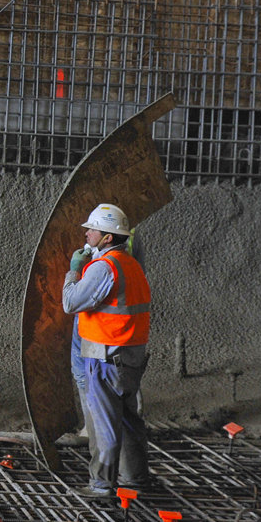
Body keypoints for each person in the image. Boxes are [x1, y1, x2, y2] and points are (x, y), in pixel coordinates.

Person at [62, 203, 152, 498]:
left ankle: (101, 486)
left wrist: (73, 273)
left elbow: (71, 303)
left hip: (105, 357)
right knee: (128, 418)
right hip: (130, 356)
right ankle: (135, 479)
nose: (87, 233)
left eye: (92, 229)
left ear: (108, 238)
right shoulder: (131, 265)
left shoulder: (104, 267)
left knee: (103, 425)